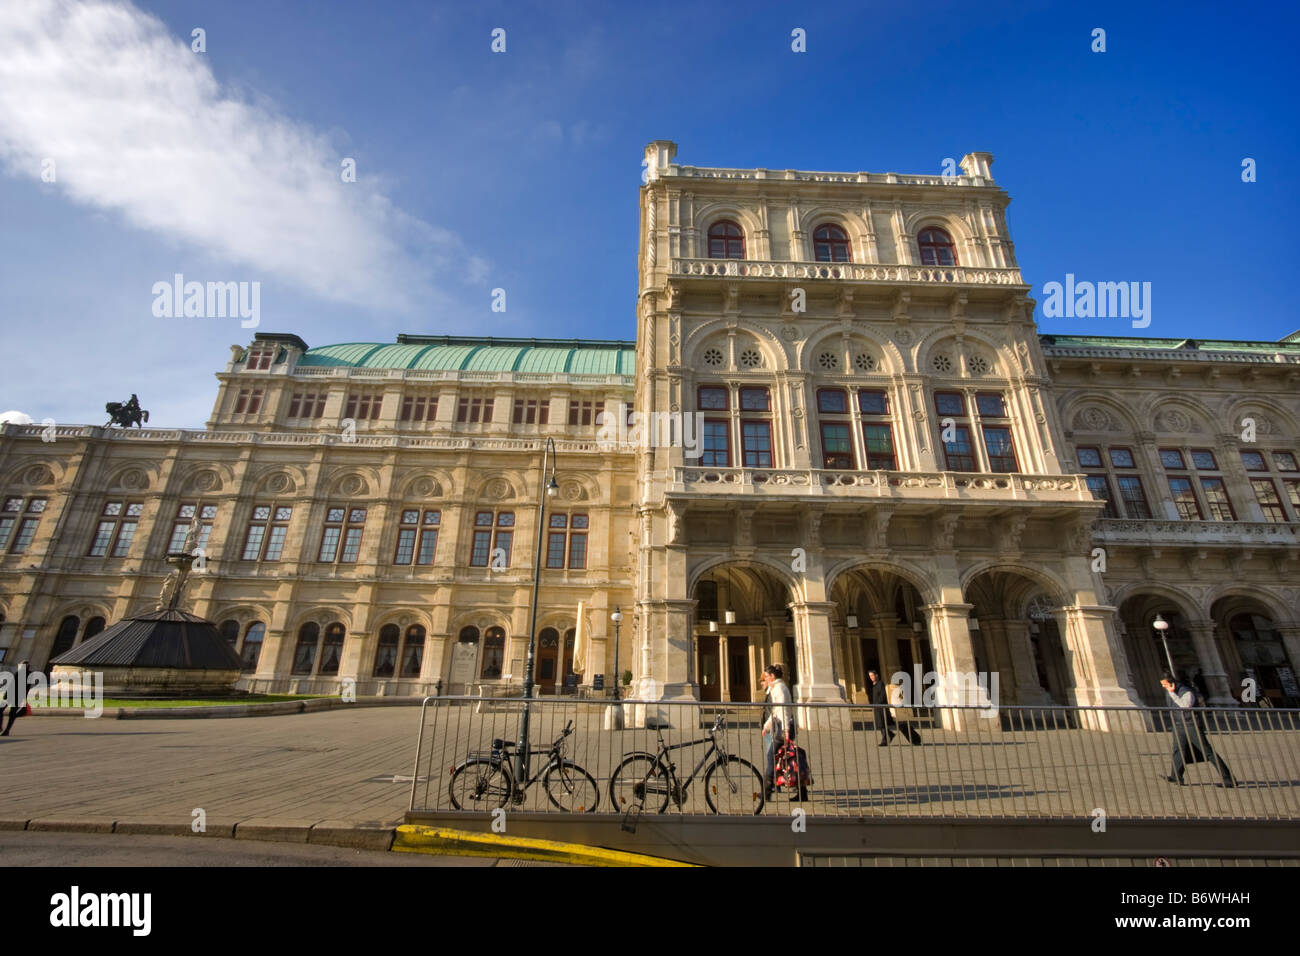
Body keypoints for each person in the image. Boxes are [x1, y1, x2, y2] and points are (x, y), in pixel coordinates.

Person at [1160, 672, 1235, 788]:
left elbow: (1185, 706)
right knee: (1178, 750)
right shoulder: (1171, 692)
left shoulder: (1186, 692)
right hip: (1179, 725)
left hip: (1191, 724)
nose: (1164, 687)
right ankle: (1176, 775)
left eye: (1165, 685)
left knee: (1207, 751)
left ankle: (1228, 778)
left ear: (1172, 683)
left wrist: (1172, 693)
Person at [760, 664, 802, 800]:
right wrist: (766, 726)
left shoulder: (779, 688)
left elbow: (783, 710)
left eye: (766, 676)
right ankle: (802, 791)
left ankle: (767, 790)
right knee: (789, 759)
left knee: (772, 756)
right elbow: (776, 712)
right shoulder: (777, 688)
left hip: (783, 728)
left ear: (772, 676)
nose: (765, 679)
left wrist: (785, 730)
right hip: (781, 726)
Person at [868, 668, 921, 746]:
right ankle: (887, 737)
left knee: (900, 724)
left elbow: (884, 697)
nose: (871, 677)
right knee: (882, 724)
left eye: (872, 675)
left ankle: (915, 739)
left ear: (877, 675)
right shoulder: (875, 685)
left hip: (885, 708)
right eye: (870, 676)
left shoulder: (881, 684)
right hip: (880, 708)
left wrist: (877, 704)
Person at [1, 660, 30, 737]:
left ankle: (6, 730)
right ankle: (3, 729)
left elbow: (26, 688)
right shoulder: (18, 673)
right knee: (9, 713)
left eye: (20, 664)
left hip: (17, 697)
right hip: (11, 696)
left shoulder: (26, 674)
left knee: (12, 714)